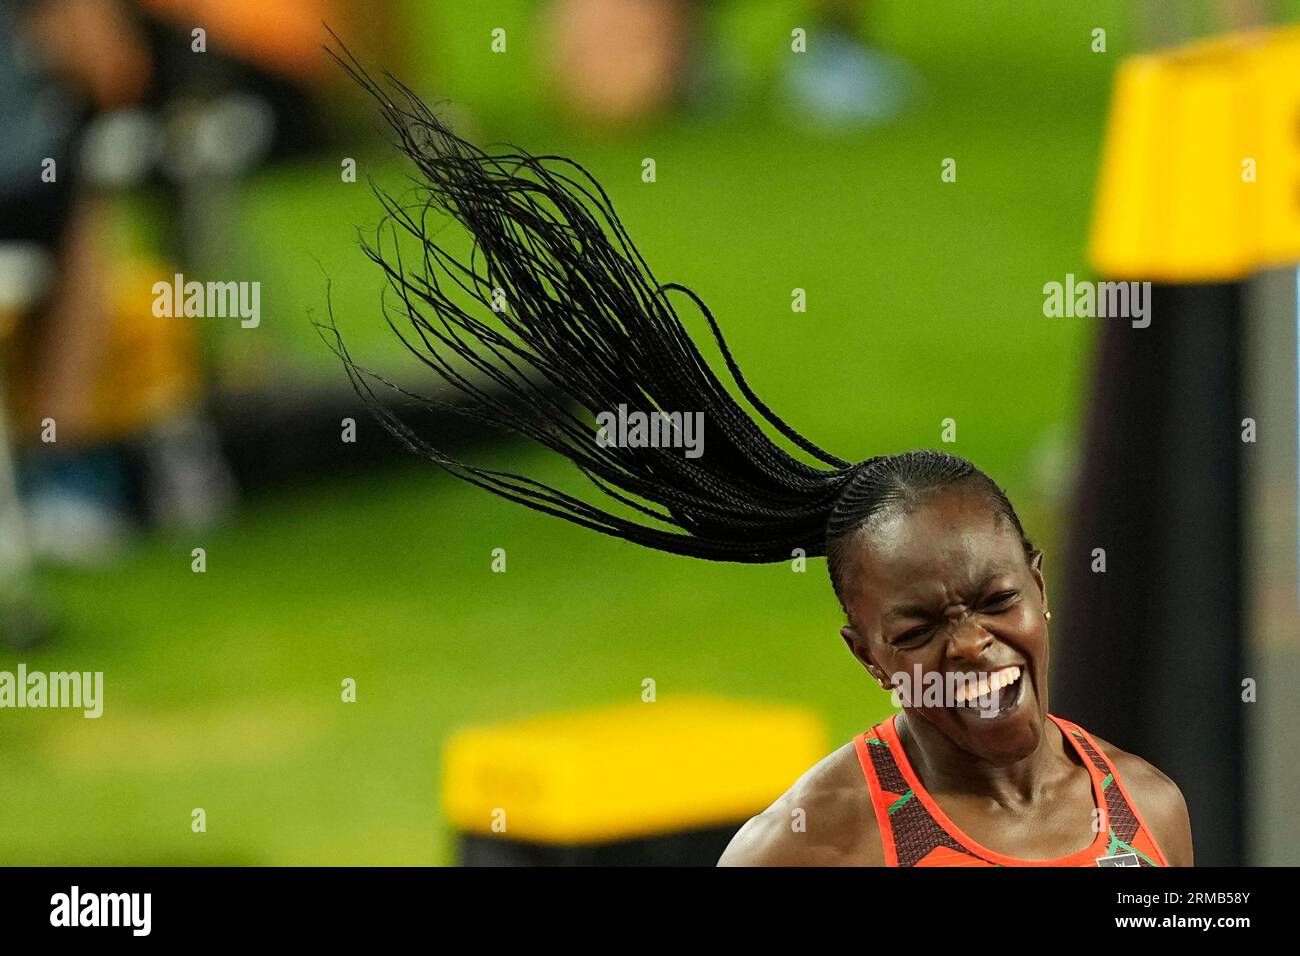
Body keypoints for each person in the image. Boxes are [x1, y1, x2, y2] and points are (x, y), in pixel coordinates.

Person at [325, 50, 1193, 867]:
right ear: (866, 656)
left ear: (1041, 584)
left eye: (996, 599)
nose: (971, 647)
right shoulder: (814, 846)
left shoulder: (1149, 812)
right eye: (917, 632)